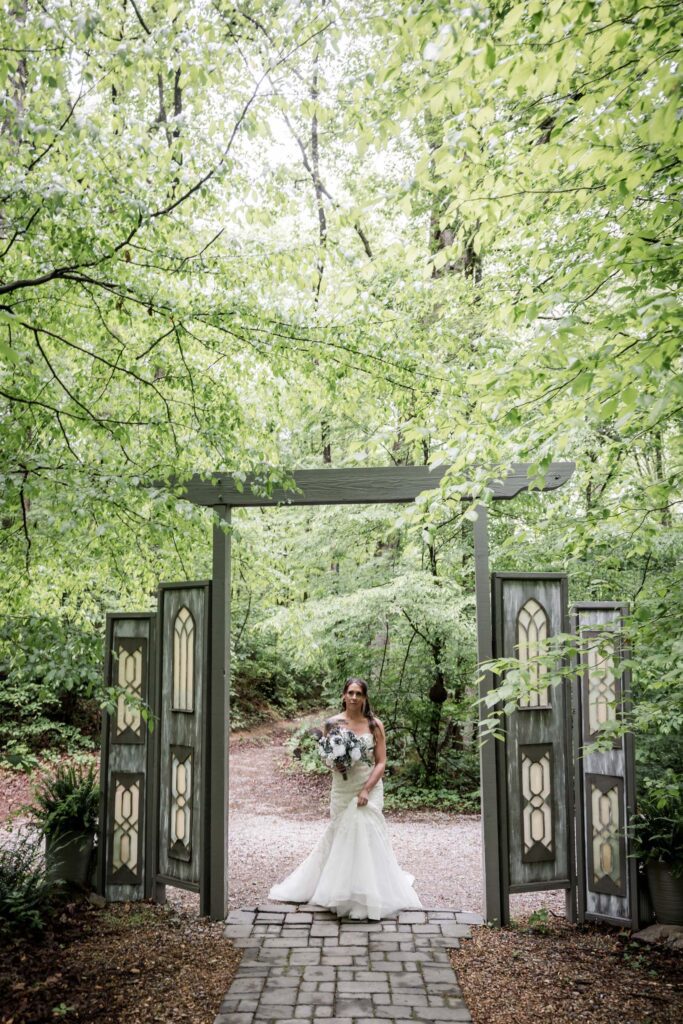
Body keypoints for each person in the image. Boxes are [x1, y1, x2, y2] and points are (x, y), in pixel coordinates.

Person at [268, 677, 423, 920]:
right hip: (342, 787)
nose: (353, 697)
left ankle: (368, 895)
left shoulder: (374, 725)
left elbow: (381, 762)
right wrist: (335, 765)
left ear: (364, 698)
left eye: (359, 693)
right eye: (350, 693)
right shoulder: (332, 723)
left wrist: (365, 789)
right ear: (343, 695)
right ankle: (339, 889)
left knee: (366, 835)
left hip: (368, 785)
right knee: (341, 836)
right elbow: (326, 757)